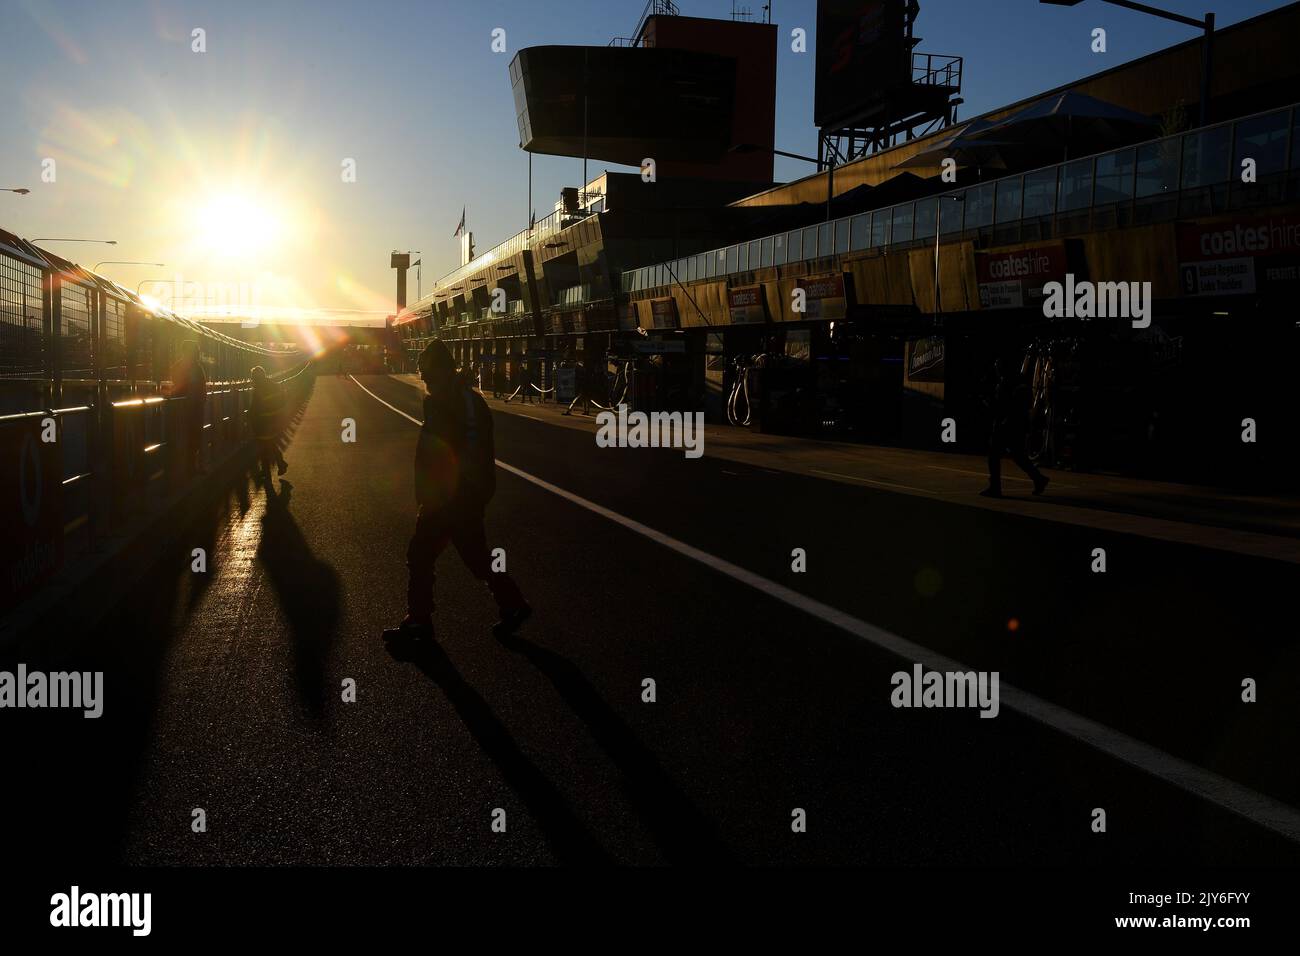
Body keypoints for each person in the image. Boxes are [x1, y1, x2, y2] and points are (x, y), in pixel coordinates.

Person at [384, 341, 531, 642]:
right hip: (466, 493)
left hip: (451, 495)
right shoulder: (465, 399)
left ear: (440, 371)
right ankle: (513, 603)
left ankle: (420, 621)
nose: (423, 379)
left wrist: (431, 495)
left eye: (426, 373)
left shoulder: (446, 402)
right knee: (474, 556)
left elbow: (441, 453)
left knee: (421, 554)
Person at [982, 356, 1049, 498]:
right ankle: (1038, 479)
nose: (996, 369)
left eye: (998, 366)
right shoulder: (1014, 381)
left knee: (994, 456)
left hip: (1007, 425)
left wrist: (993, 408)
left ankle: (995, 487)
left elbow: (1007, 406)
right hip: (1014, 425)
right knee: (1018, 456)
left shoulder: (1008, 383)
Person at [167, 340, 208, 475]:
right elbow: (197, 387)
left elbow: (178, 385)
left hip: (184, 407)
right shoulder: (197, 367)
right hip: (193, 407)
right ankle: (191, 467)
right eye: (195, 350)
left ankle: (186, 467)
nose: (197, 353)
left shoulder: (177, 366)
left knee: (186, 437)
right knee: (194, 437)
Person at [249, 366, 288, 482]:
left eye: (253, 378)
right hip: (275, 420)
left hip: (263, 422)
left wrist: (249, 419)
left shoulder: (258, 390)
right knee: (270, 443)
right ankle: (279, 464)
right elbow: (284, 399)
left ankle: (267, 471)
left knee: (263, 446)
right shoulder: (274, 385)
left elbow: (254, 409)